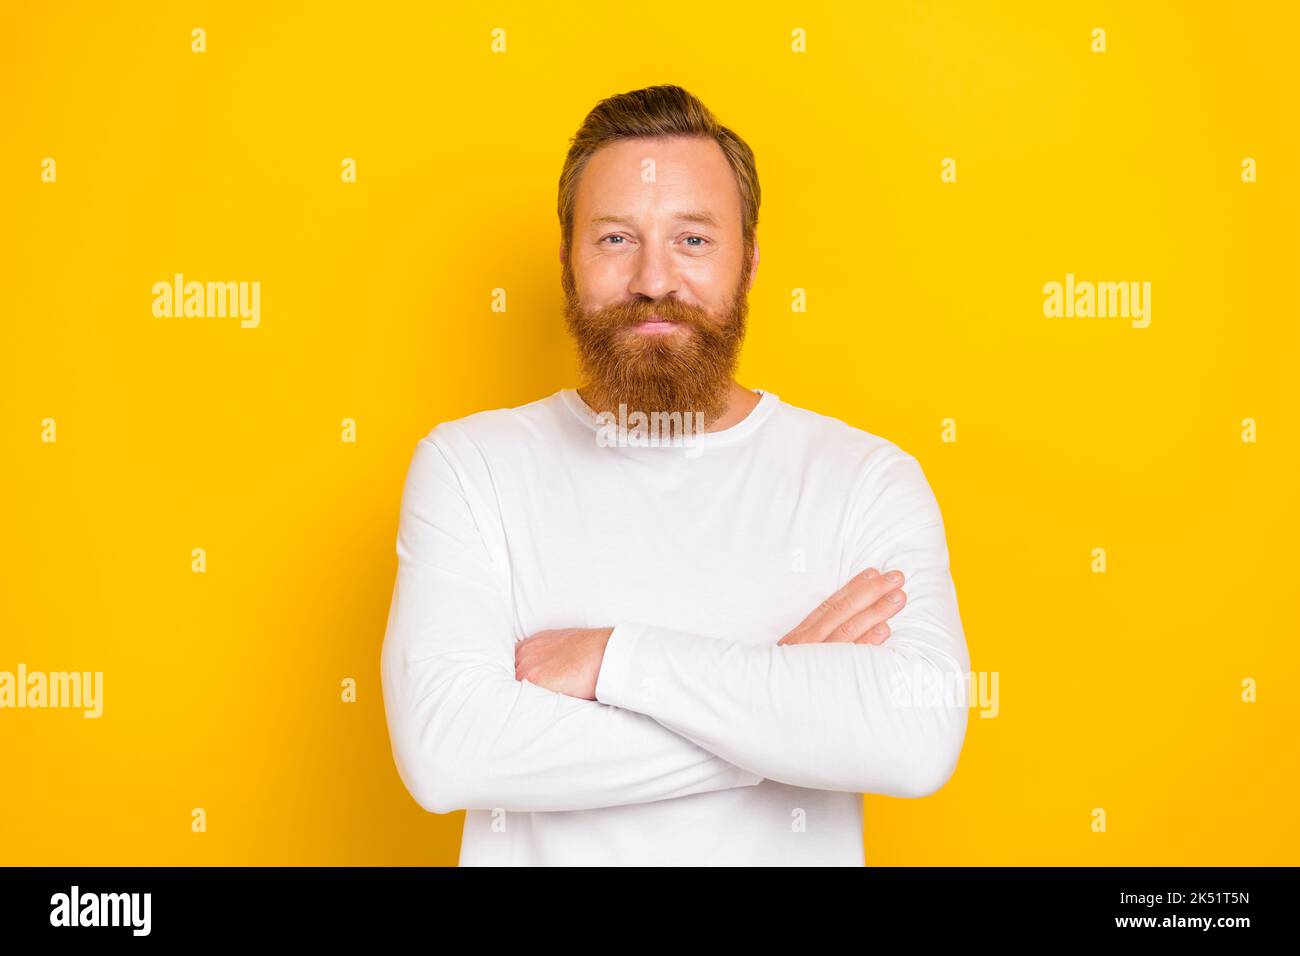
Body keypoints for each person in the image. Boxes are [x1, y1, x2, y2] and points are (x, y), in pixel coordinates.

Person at [379, 84, 970, 865]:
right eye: (616, 239)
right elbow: (447, 751)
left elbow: (914, 737)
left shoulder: (865, 480)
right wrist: (780, 694)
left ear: (750, 261)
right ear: (567, 260)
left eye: (693, 240)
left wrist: (613, 659)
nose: (655, 280)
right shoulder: (470, 468)